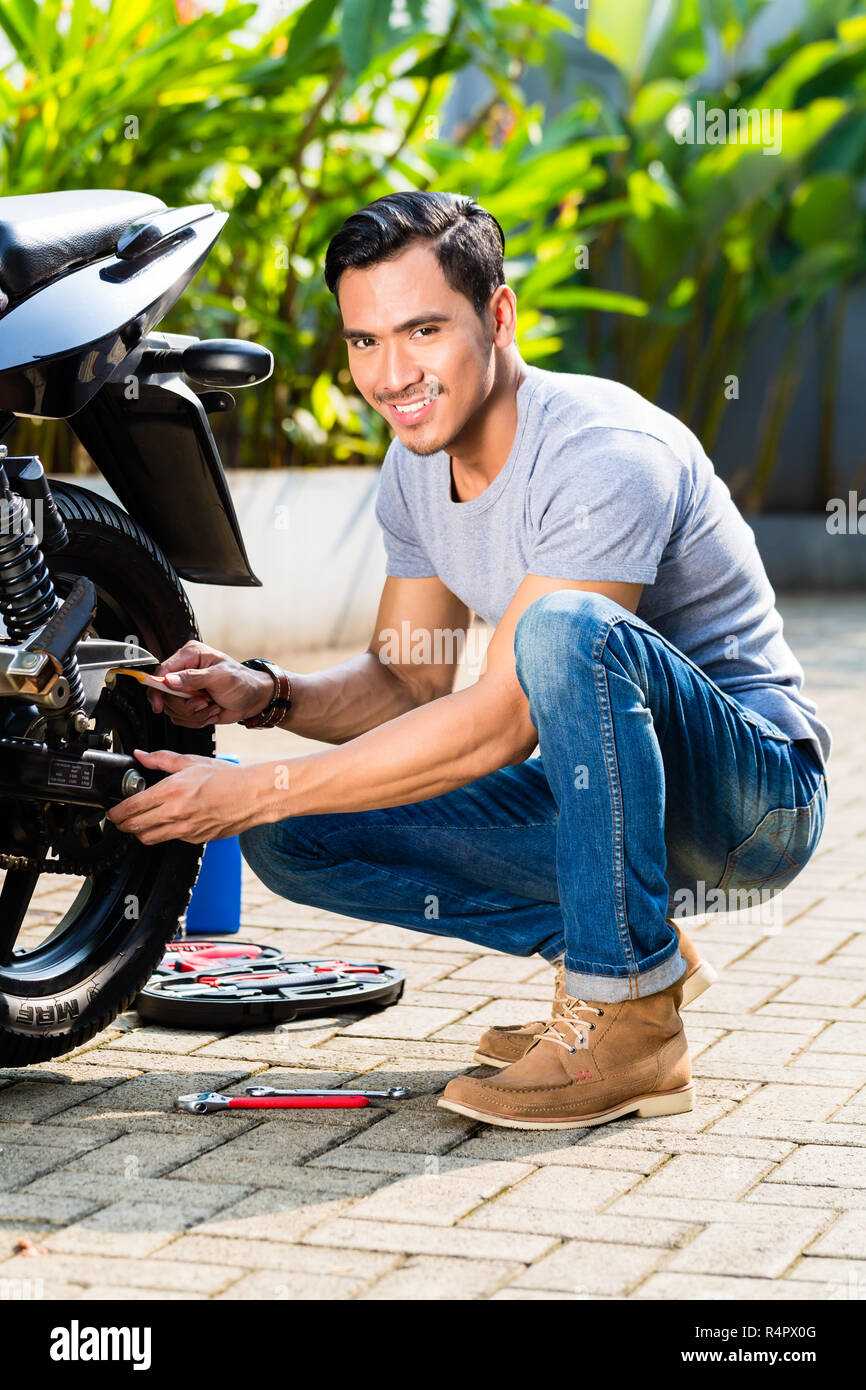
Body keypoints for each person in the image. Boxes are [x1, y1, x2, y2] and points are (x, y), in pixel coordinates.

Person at [107, 191, 830, 1131]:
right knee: (294, 832)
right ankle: (629, 949)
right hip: (602, 795)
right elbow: (406, 682)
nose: (392, 373)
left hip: (750, 803)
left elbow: (503, 717)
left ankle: (633, 1020)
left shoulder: (606, 452)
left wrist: (259, 786)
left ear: (498, 316)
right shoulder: (416, 466)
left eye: (421, 330)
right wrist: (266, 697)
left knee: (562, 631)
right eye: (364, 341)